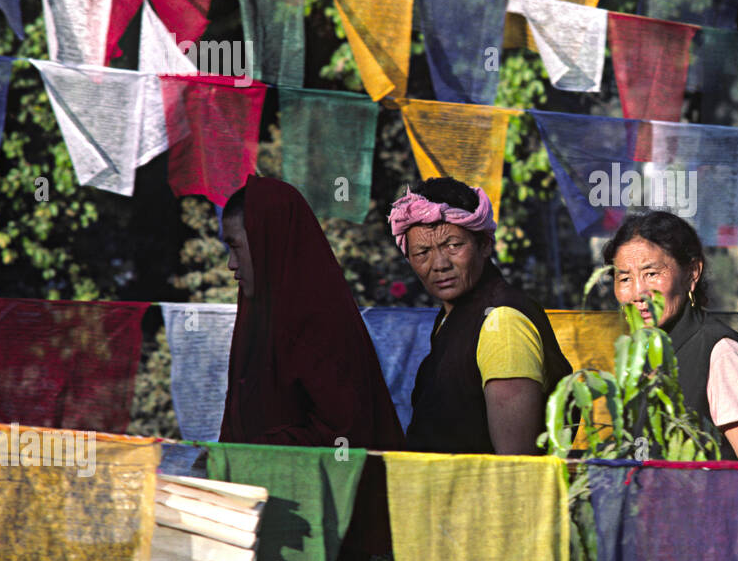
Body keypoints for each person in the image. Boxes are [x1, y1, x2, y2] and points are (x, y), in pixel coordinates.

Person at [219, 175, 404, 449]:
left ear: (266, 241)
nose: (231, 264)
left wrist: (256, 450)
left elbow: (346, 432)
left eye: (236, 247)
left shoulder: (319, 321)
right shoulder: (258, 319)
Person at [389, 177, 572, 454]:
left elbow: (515, 463)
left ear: (485, 245)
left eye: (453, 246)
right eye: (422, 252)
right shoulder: (452, 317)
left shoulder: (502, 323)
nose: (439, 264)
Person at [604, 211, 738, 463]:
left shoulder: (722, 355)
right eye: (625, 278)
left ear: (692, 273)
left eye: (652, 274)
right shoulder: (645, 358)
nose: (638, 292)